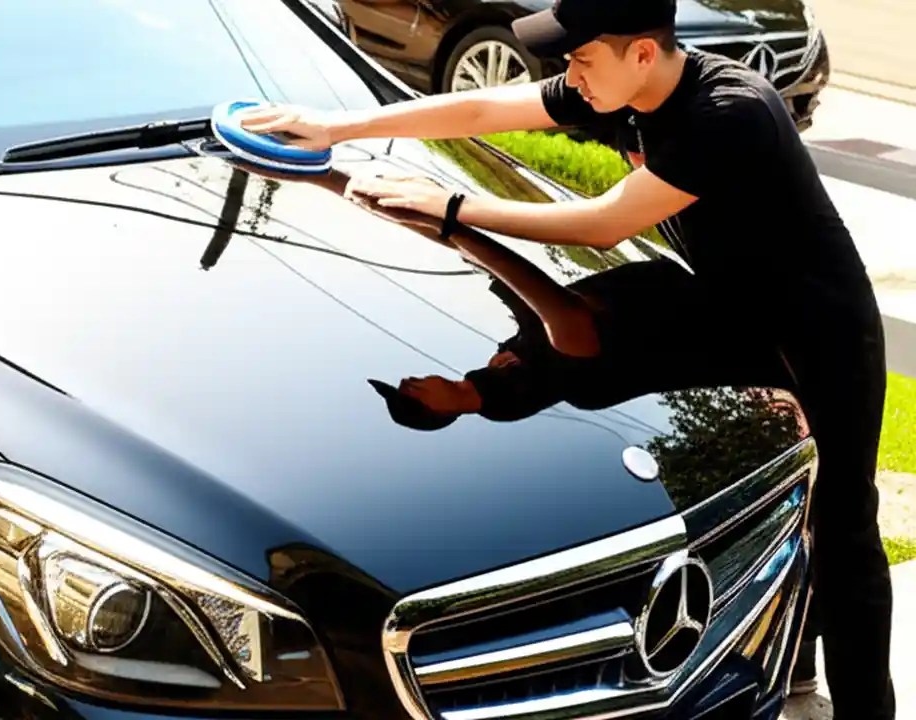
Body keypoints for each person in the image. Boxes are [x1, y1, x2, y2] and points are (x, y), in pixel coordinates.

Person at [238, 0, 894, 716]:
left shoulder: (728, 112)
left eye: (582, 58)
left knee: (842, 529)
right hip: (723, 313)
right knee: (748, 478)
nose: (568, 74)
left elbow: (605, 223)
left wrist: (452, 208)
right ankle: (787, 668)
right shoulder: (618, 90)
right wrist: (340, 126)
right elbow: (487, 109)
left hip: (820, 329)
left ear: (642, 53)